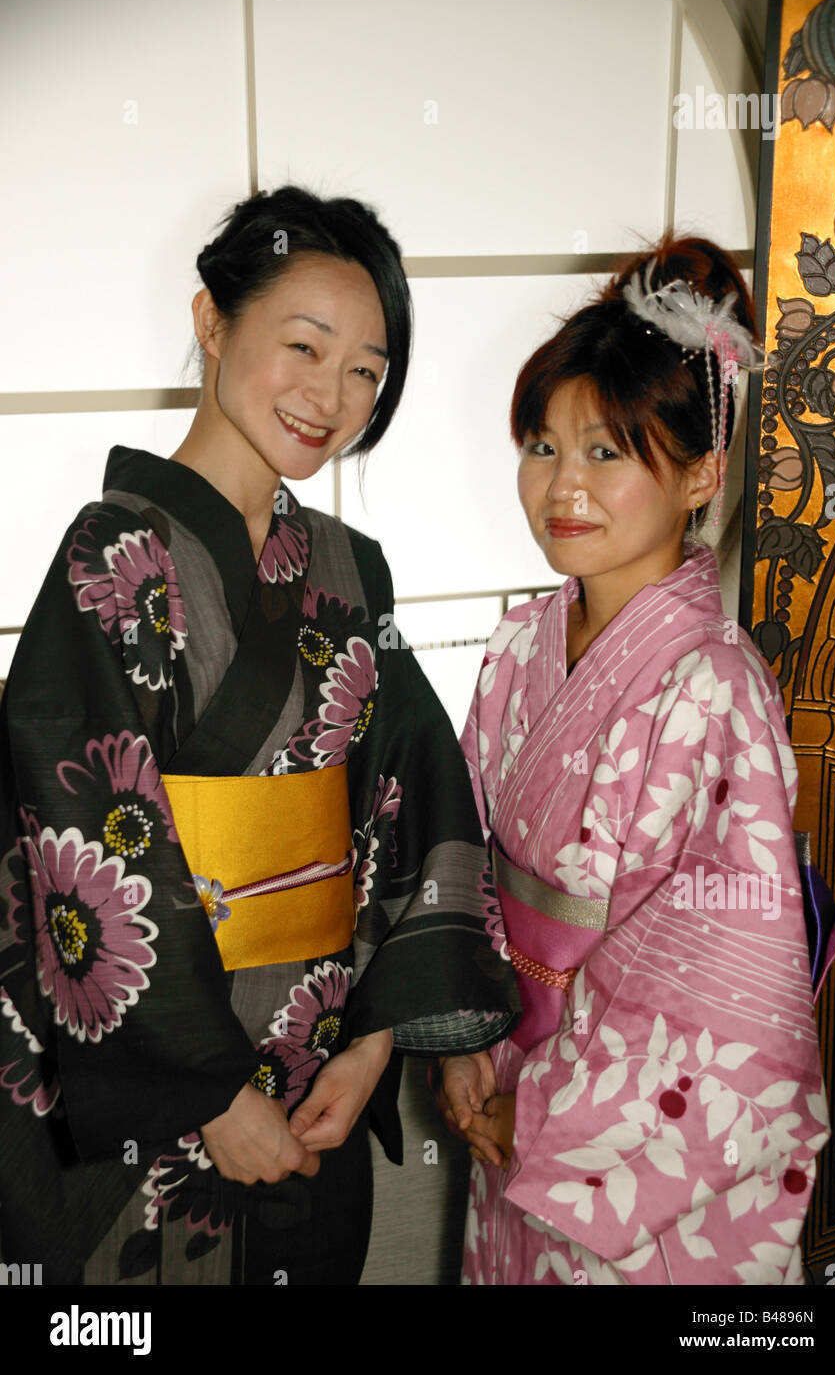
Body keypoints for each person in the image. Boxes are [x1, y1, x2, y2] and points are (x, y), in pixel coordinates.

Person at [0, 184, 519, 1285]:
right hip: (162, 1108)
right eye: (304, 345)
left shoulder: (349, 568)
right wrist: (207, 1090)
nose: (331, 396)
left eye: (366, 372)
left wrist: (379, 1038)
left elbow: (417, 791)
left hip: (319, 1080)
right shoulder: (111, 556)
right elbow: (70, 830)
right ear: (210, 322)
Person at [438, 236, 830, 1285]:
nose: (561, 485)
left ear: (702, 471)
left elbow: (725, 996)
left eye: (606, 450)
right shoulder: (520, 646)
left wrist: (546, 1107)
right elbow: (464, 862)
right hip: (504, 1086)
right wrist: (467, 1041)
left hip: (621, 1141)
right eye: (542, 443)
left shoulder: (716, 688)